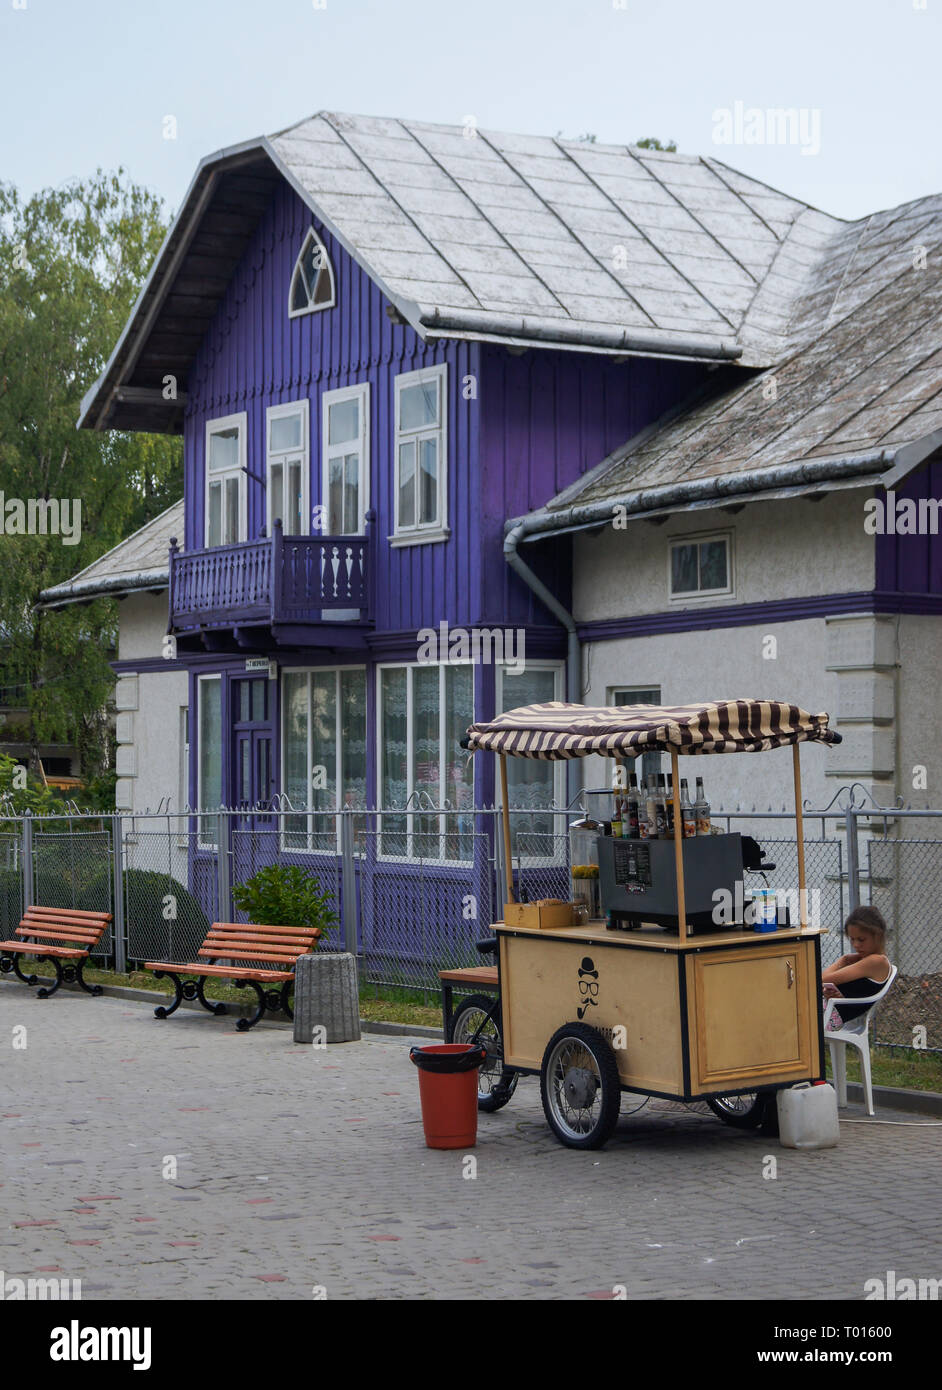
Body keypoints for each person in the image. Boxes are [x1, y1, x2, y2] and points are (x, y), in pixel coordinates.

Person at [820, 906, 892, 1031]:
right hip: (827, 1010)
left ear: (878, 935)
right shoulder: (871, 960)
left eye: (861, 939)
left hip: (827, 1016)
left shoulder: (876, 961)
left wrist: (843, 960)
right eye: (852, 939)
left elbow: (821, 979)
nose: (856, 945)